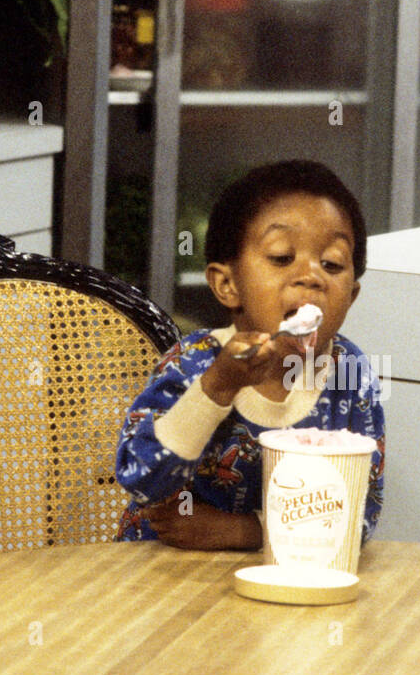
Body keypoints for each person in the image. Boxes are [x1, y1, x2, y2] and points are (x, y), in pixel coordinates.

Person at [115, 160, 385, 549]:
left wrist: (244, 531)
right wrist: (217, 388)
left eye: (332, 263)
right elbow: (140, 478)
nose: (311, 275)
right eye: (281, 257)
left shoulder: (349, 376)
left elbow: (359, 517)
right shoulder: (192, 364)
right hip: (163, 576)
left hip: (290, 580)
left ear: (352, 296)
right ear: (227, 285)